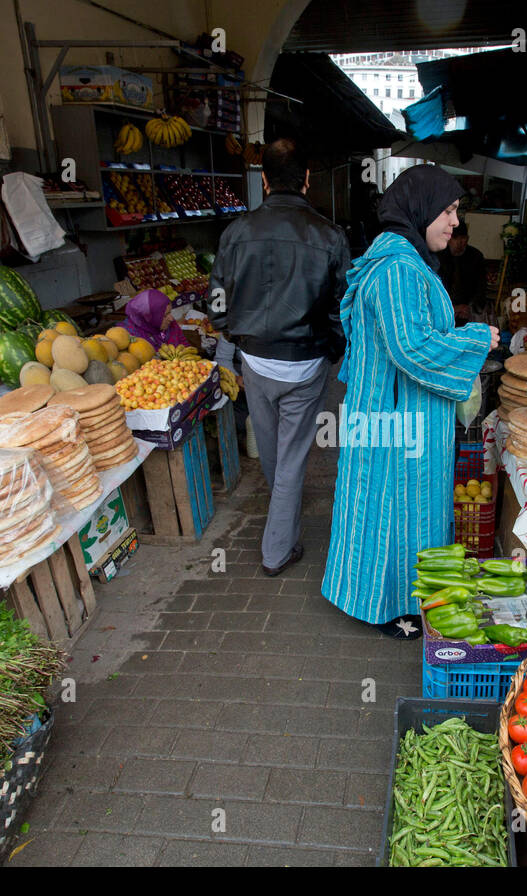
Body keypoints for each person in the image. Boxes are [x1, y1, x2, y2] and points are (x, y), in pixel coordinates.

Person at [322, 165, 498, 639]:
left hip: (395, 412)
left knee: (390, 507)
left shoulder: (403, 261)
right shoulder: (398, 270)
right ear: (419, 211)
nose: (454, 223)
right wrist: (477, 339)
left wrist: (462, 338)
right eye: (448, 210)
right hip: (398, 421)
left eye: (455, 211)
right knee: (399, 510)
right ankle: (399, 607)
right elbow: (411, 348)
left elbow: (411, 336)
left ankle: (397, 597)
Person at [207, 139, 349, 576]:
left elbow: (216, 304)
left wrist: (235, 336)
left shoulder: (235, 232)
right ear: (307, 180)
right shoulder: (330, 235)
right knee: (289, 458)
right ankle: (276, 552)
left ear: (263, 180)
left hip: (255, 360)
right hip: (305, 364)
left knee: (273, 450)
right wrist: (332, 349)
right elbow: (341, 309)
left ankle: (281, 524)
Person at [436, 220, 488, 323]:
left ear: (467, 239)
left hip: (469, 311)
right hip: (444, 310)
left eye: (463, 238)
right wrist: (453, 308)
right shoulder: (438, 257)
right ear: (448, 238)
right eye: (455, 238)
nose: (460, 242)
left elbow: (481, 288)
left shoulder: (475, 256)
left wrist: (469, 308)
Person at [121, 288, 190, 351]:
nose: (171, 319)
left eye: (170, 312)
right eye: (165, 315)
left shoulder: (171, 324)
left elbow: (184, 344)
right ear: (148, 317)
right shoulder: (129, 336)